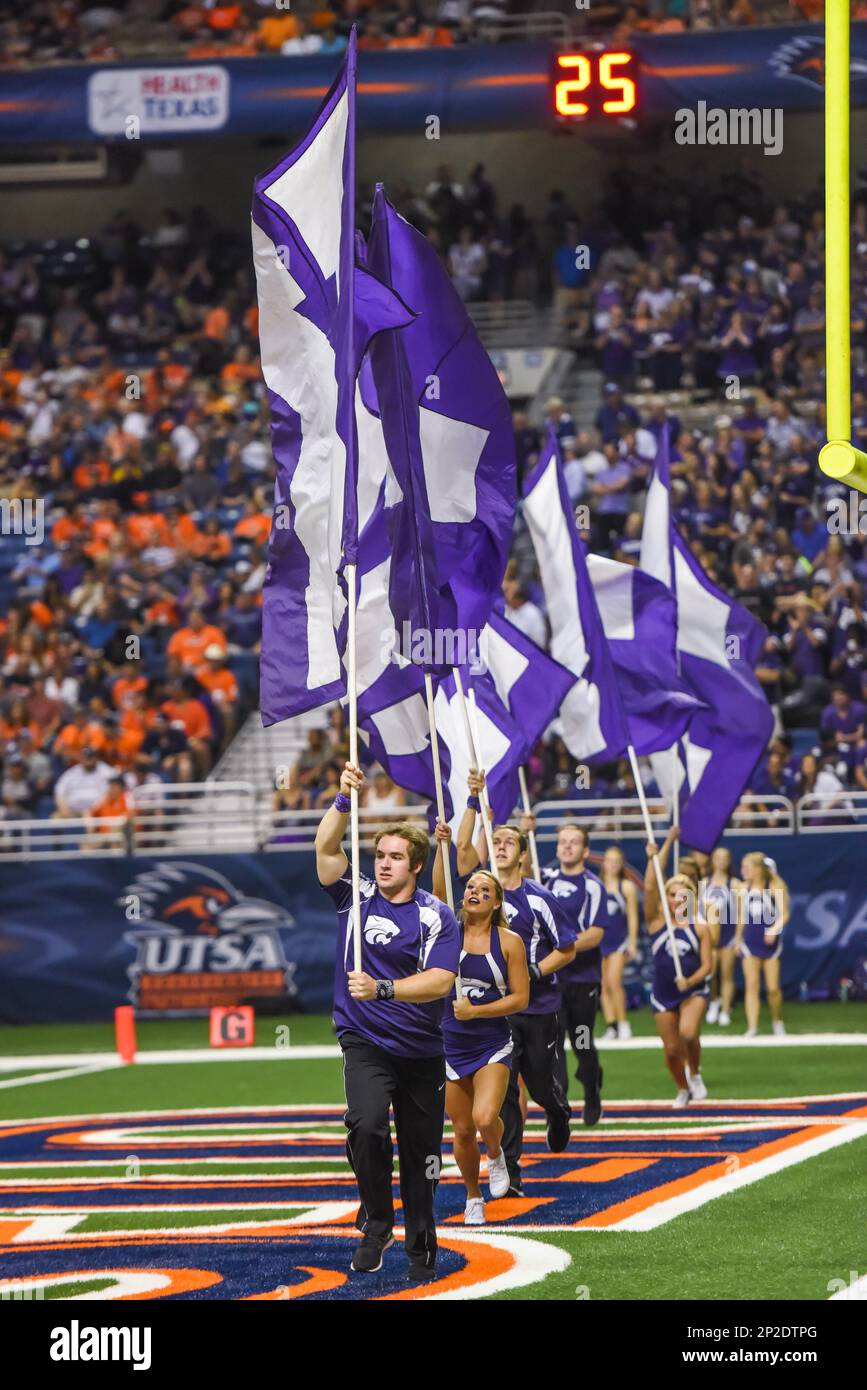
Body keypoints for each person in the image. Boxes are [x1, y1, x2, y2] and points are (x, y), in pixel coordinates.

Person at [314, 761, 460, 1281]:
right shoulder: (353, 898)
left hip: (421, 1049)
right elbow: (326, 851)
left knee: (422, 1155)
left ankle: (422, 1240)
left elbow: (442, 980)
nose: (383, 863)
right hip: (365, 1039)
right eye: (379, 855)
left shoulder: (436, 915)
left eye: (395, 856)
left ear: (416, 865)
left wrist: (384, 988)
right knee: (368, 1123)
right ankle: (378, 1221)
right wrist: (342, 800)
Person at [453, 773, 576, 1195]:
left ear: (523, 855)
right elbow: (463, 848)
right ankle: (513, 1171)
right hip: (494, 1018)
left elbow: (568, 947)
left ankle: (558, 1111)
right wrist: (472, 798)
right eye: (498, 839)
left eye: (510, 841)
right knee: (505, 1094)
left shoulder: (539, 899)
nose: (501, 844)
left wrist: (537, 970)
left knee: (540, 1083)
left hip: (537, 1007)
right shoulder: (481, 889)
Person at [431, 845, 529, 1224]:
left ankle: (497, 1155)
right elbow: (439, 893)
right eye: (470, 886)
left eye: (484, 890)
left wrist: (477, 1011)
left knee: (486, 1118)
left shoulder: (509, 942)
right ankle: (473, 1196)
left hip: (491, 1044)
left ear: (495, 903)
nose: (474, 892)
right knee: (461, 1129)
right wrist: (442, 846)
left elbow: (521, 998)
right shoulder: (446, 933)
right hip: (449, 1045)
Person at [539, 822, 606, 1126]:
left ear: (585, 850)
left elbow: (595, 933)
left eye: (574, 842)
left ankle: (592, 1087)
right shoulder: (546, 881)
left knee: (581, 1042)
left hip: (583, 979)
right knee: (555, 1043)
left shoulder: (592, 885)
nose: (567, 846)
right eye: (562, 841)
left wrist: (563, 946)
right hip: (554, 981)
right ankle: (560, 1104)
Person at [647, 869, 713, 1109]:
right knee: (673, 1050)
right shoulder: (656, 924)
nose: (677, 900)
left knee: (687, 1033)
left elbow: (707, 966)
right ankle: (683, 1087)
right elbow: (649, 888)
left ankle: (694, 1073)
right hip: (663, 993)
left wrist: (689, 981)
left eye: (683, 896)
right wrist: (657, 852)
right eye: (673, 895)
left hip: (693, 990)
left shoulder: (700, 927)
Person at [738, 852, 790, 1038]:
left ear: (758, 869)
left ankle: (777, 1020)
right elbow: (741, 917)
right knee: (751, 985)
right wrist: (738, 940)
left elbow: (784, 914)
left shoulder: (775, 886)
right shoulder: (743, 889)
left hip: (770, 944)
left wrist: (773, 929)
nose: (743, 871)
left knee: (773, 988)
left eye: (747, 867)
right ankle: (753, 1026)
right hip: (749, 942)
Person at [598, 845, 640, 1041]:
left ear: (621, 864)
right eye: (609, 861)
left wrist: (632, 942)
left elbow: (632, 917)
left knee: (614, 982)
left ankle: (623, 1023)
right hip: (599, 942)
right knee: (603, 985)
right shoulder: (596, 885)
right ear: (604, 863)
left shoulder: (627, 887)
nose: (612, 865)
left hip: (618, 941)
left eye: (616, 861)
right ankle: (611, 1025)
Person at [699, 847, 743, 1027]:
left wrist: (738, 938)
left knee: (726, 974)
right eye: (718, 857)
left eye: (725, 858)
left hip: (728, 935)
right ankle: (714, 1001)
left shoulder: (734, 884)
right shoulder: (704, 883)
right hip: (709, 936)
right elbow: (699, 911)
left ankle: (725, 1010)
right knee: (710, 973)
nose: (721, 861)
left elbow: (741, 913)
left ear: (729, 861)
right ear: (712, 860)